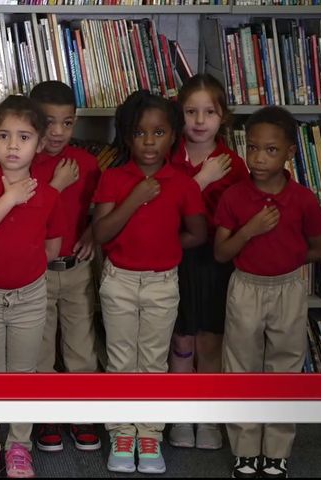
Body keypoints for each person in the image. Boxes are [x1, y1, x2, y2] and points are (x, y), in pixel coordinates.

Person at [92, 90, 207, 475]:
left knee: (154, 362)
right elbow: (102, 233)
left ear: (173, 135)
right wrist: (136, 199)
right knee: (122, 361)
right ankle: (123, 433)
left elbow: (197, 233)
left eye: (158, 133)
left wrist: (164, 250)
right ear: (127, 136)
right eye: (140, 133)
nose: (149, 142)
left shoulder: (183, 183)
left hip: (162, 283)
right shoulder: (114, 178)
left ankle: (149, 435)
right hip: (119, 281)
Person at [213, 106, 321, 480]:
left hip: (288, 287)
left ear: (291, 152)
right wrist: (250, 231)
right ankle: (245, 450)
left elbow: (317, 247)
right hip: (246, 286)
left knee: (284, 368)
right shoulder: (234, 198)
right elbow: (221, 252)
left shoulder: (303, 199)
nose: (259, 158)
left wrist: (286, 262)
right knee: (241, 368)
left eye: (271, 150)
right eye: (253, 148)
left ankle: (276, 451)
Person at [0, 95, 64, 479]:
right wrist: (10, 197)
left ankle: (18, 445)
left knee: (23, 373)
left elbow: (51, 248)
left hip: (30, 297)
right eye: (4, 135)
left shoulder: (49, 195)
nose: (14, 145)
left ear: (39, 142)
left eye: (24, 137)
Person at [167, 74, 249, 451]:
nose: (199, 121)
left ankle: (208, 417)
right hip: (175, 256)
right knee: (181, 339)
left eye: (209, 113)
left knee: (210, 342)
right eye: (190, 112)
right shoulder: (167, 154)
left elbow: (242, 221)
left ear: (223, 118)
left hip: (216, 262)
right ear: (179, 115)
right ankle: (182, 417)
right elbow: (163, 211)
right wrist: (200, 179)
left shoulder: (233, 164)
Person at [28, 80, 102, 453]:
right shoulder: (22, 160)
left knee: (81, 344)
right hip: (36, 270)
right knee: (40, 346)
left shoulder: (86, 163)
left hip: (75, 268)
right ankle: (46, 413)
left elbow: (98, 208)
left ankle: (81, 411)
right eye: (48, 122)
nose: (57, 132)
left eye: (67, 122)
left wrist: (93, 233)